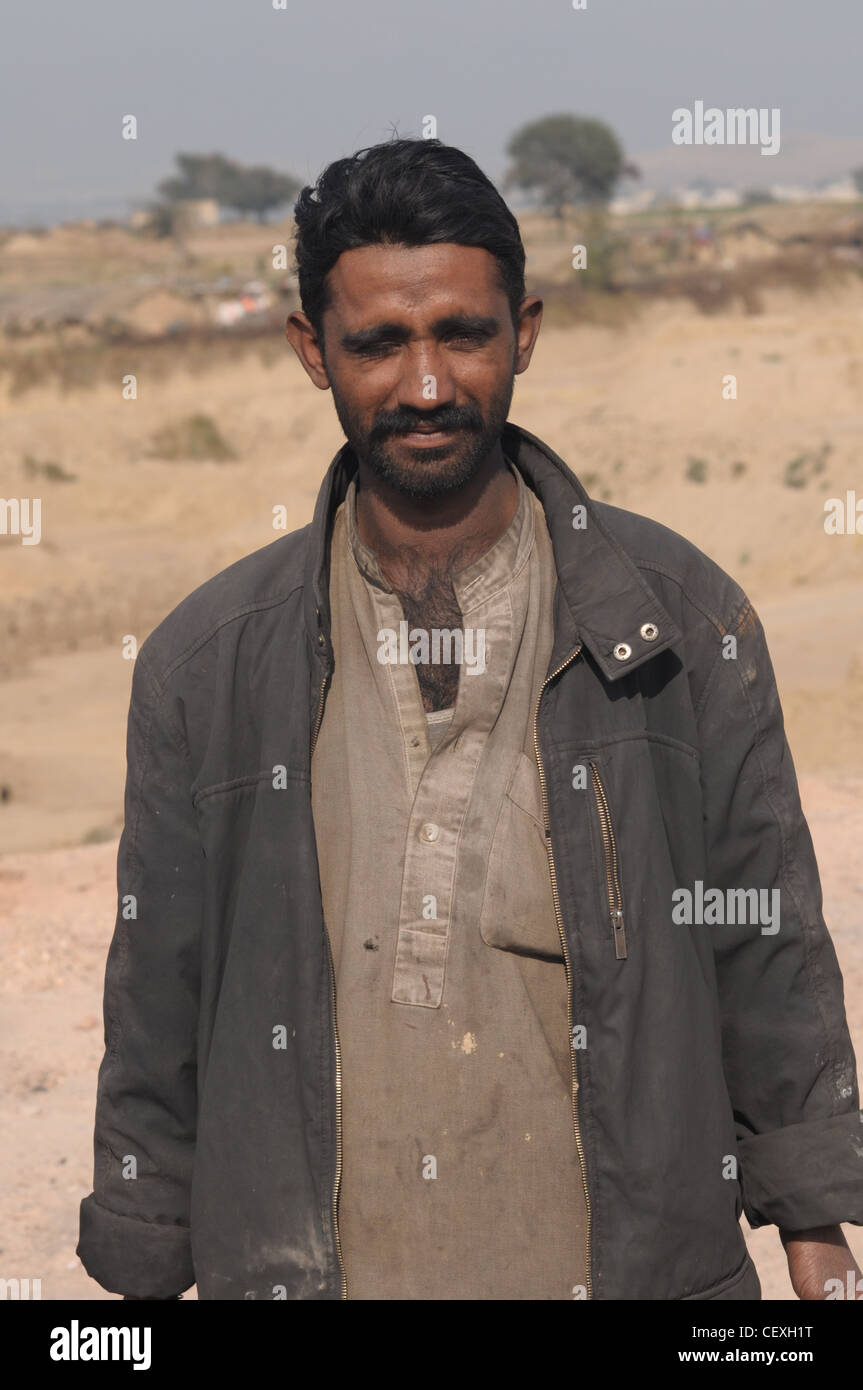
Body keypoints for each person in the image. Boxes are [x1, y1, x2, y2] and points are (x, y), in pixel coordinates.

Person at [78, 138, 863, 1301]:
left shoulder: (678, 622)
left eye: (461, 332)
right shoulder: (206, 665)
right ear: (312, 353)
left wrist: (811, 1213)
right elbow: (160, 985)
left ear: (524, 334)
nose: (427, 383)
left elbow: (762, 930)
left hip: (634, 1277)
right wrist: (143, 1249)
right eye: (379, 343)